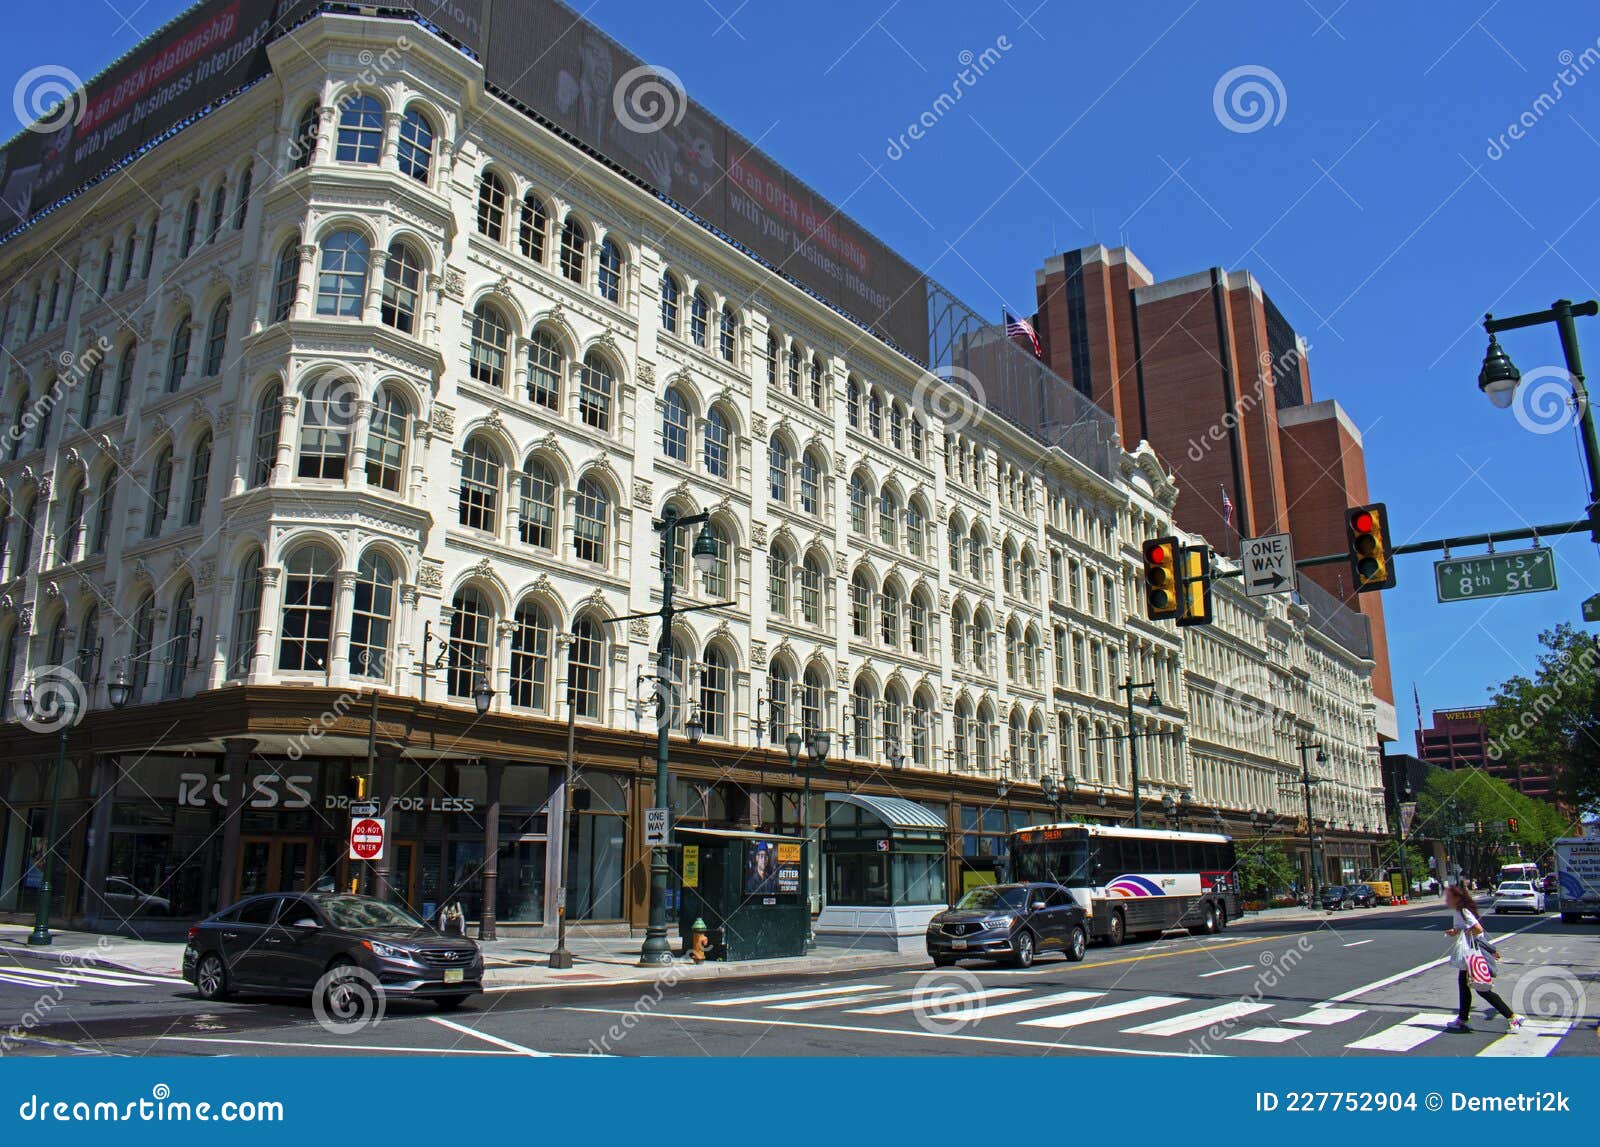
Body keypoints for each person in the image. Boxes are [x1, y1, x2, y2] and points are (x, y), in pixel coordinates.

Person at [1443, 882, 1521, 1033]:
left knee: (1482, 989)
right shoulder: (1460, 911)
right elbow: (1468, 929)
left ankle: (1512, 1017)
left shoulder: (1463, 911)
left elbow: (1478, 930)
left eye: (1449, 897)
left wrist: (1462, 931)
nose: (1446, 900)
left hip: (1472, 955)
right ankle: (1463, 1019)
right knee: (1465, 987)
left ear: (1457, 898)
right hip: (1469, 955)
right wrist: (1456, 931)